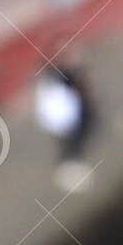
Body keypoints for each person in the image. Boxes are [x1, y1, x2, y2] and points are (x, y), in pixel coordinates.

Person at [34, 60, 93, 192]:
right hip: (66, 121)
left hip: (63, 122)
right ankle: (68, 165)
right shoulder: (56, 90)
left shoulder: (48, 88)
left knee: (71, 142)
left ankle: (68, 164)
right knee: (72, 142)